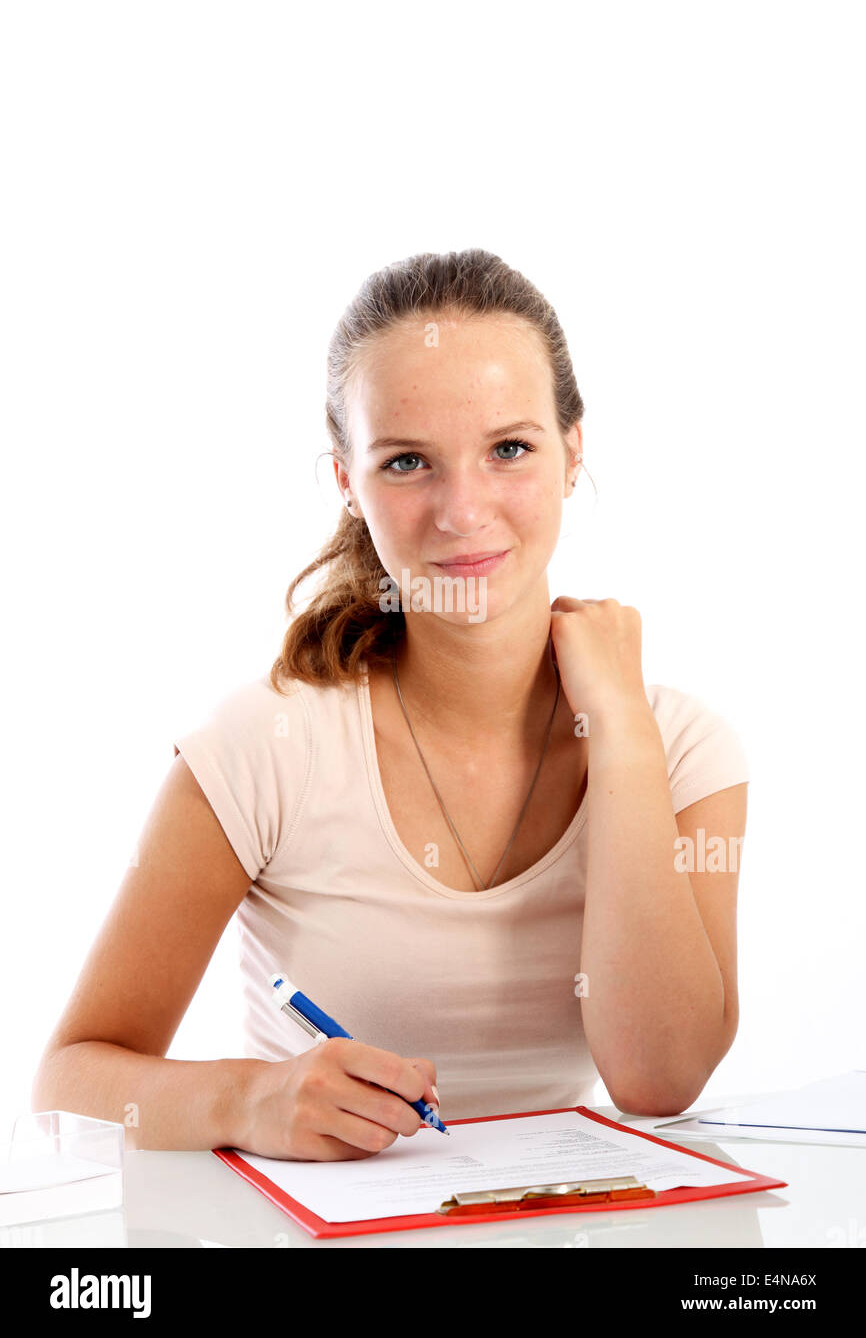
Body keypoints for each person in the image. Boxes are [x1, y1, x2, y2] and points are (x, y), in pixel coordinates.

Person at [31, 249, 749, 1161]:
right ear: (345, 480)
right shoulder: (265, 747)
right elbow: (68, 1084)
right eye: (408, 461)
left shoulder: (683, 748)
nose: (462, 509)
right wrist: (248, 1100)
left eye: (510, 448)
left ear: (574, 453)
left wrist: (623, 736)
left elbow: (661, 1078)